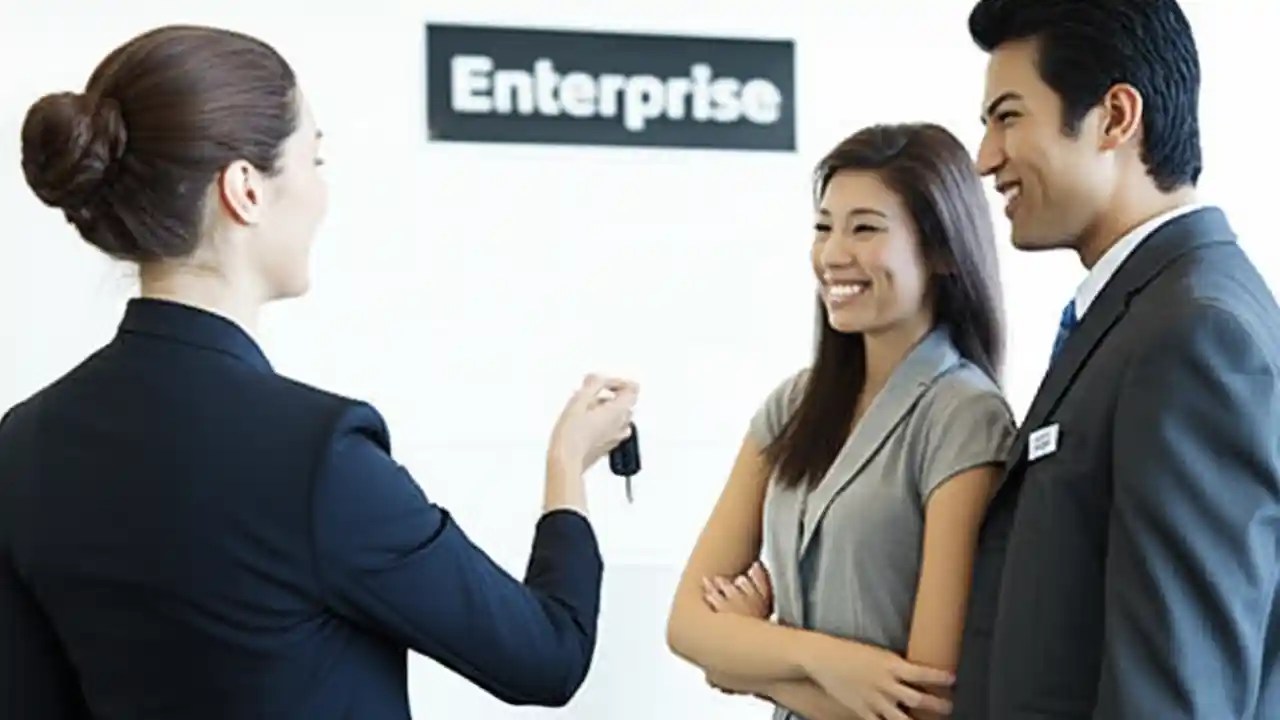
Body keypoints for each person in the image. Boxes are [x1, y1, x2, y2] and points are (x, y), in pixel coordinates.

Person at [0, 24, 638, 720]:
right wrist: (568, 469)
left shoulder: (25, 442)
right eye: (315, 158)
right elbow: (546, 657)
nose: (323, 193)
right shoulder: (316, 453)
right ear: (244, 188)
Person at [952, 1, 1280, 718]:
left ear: (1116, 117)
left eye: (1008, 117)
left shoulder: (1196, 335)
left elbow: (1176, 693)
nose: (985, 159)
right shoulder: (1144, 312)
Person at [665, 122, 1017, 720]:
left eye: (865, 229)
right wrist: (822, 659)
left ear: (939, 252)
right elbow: (686, 625)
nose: (833, 255)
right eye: (824, 228)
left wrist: (749, 662)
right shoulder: (793, 405)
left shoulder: (965, 416)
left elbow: (925, 702)